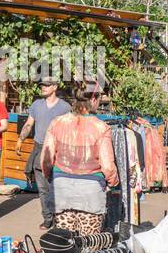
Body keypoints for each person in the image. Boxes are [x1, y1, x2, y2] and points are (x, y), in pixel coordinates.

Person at [40, 85, 118, 234]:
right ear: (93, 99)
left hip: (61, 190)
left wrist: (50, 177)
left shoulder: (57, 122)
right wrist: (113, 183)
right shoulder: (101, 127)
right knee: (89, 246)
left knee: (65, 245)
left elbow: (46, 160)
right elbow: (107, 165)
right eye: (99, 99)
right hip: (91, 193)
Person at [18, 77, 70, 230]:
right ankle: (47, 218)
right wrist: (20, 139)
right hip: (39, 148)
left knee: (57, 186)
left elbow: (68, 129)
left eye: (46, 85)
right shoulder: (36, 105)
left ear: (55, 87)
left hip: (58, 150)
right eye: (42, 85)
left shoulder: (65, 107)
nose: (43, 87)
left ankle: (59, 217)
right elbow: (29, 124)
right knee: (42, 189)